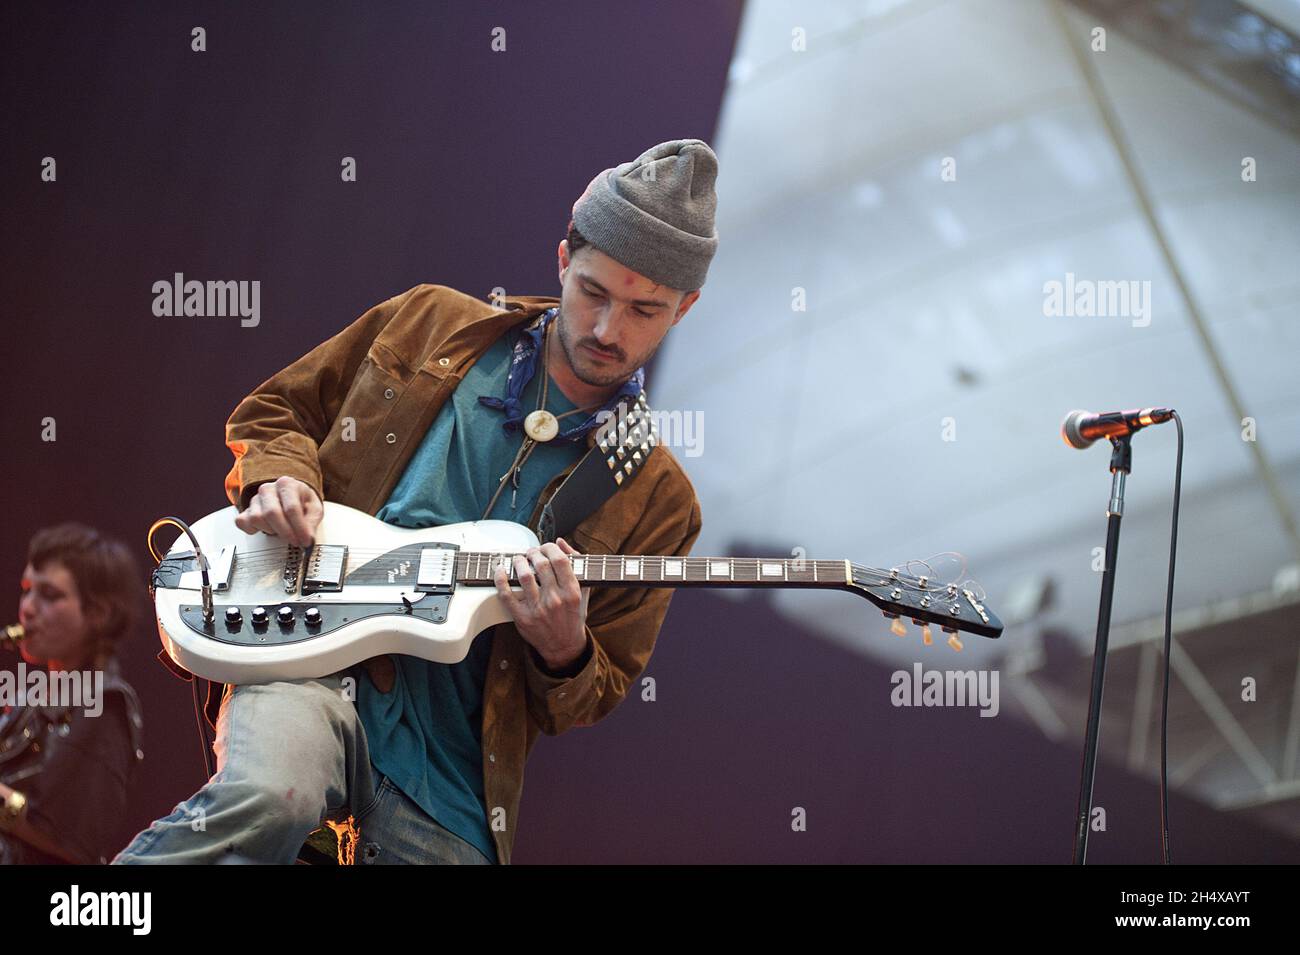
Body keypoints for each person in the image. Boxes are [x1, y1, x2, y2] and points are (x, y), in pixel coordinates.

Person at [114, 138, 716, 865]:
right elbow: (275, 413)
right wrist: (284, 477)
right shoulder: (430, 322)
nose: (605, 329)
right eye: (593, 291)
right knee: (275, 796)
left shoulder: (661, 499)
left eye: (644, 309)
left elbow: (593, 691)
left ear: (685, 308)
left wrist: (565, 650)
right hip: (310, 661)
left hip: (454, 771)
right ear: (563, 261)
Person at [1, 523, 145, 864]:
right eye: (26, 590)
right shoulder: (29, 697)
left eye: (49, 595)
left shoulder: (105, 702)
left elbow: (71, 840)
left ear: (97, 613)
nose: (27, 609)